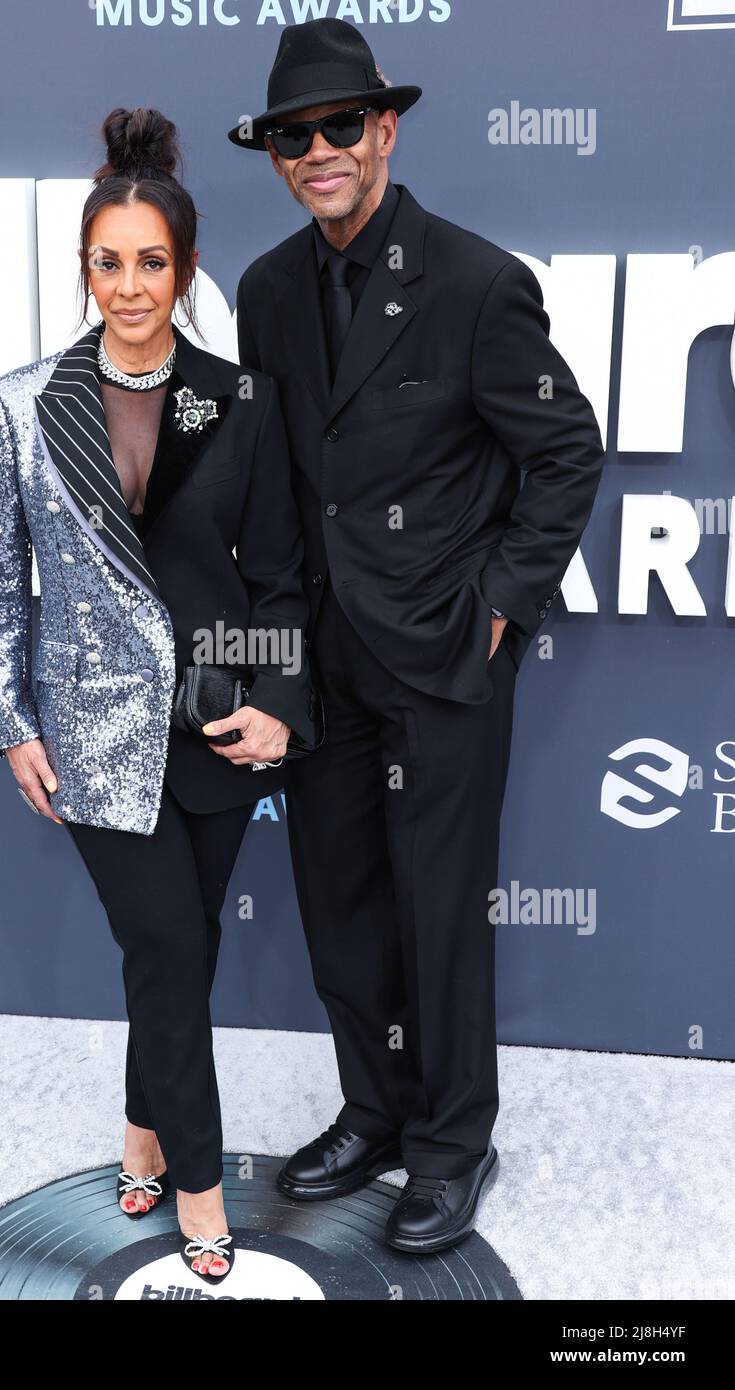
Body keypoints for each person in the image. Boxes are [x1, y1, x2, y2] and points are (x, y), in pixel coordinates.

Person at [227, 18, 605, 1254]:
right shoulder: (268, 290)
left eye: (343, 125)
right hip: (320, 660)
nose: (321, 149)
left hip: (445, 652)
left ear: (385, 129)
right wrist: (273, 660)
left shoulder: (478, 282)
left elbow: (564, 452)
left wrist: (499, 603)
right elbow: (278, 489)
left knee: (439, 912)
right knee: (340, 903)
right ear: (279, 154)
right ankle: (377, 1108)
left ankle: (451, 1142)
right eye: (298, 135)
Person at [0, 106, 315, 1283]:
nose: (130, 286)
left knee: (177, 957)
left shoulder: (239, 399)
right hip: (96, 740)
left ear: (186, 267)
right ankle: (203, 1195)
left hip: (218, 733)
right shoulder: (23, 404)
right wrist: (11, 722)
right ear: (83, 269)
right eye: (107, 262)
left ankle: (137, 1133)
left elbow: (277, 575)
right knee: (167, 945)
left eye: (152, 262)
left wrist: (281, 700)